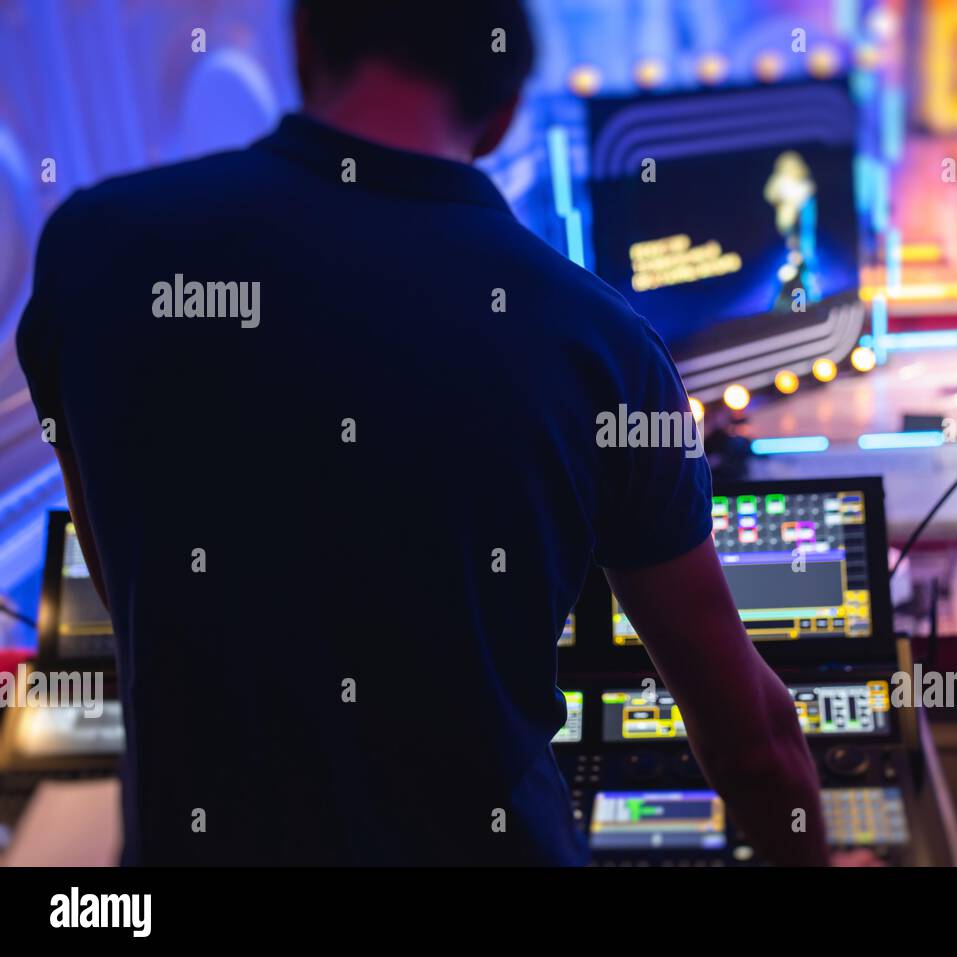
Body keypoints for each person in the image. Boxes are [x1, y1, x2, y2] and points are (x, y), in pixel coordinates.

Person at [17, 1, 856, 866]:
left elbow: (132, 585)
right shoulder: (600, 348)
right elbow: (749, 739)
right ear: (499, 116)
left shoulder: (95, 249)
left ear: (304, 45)